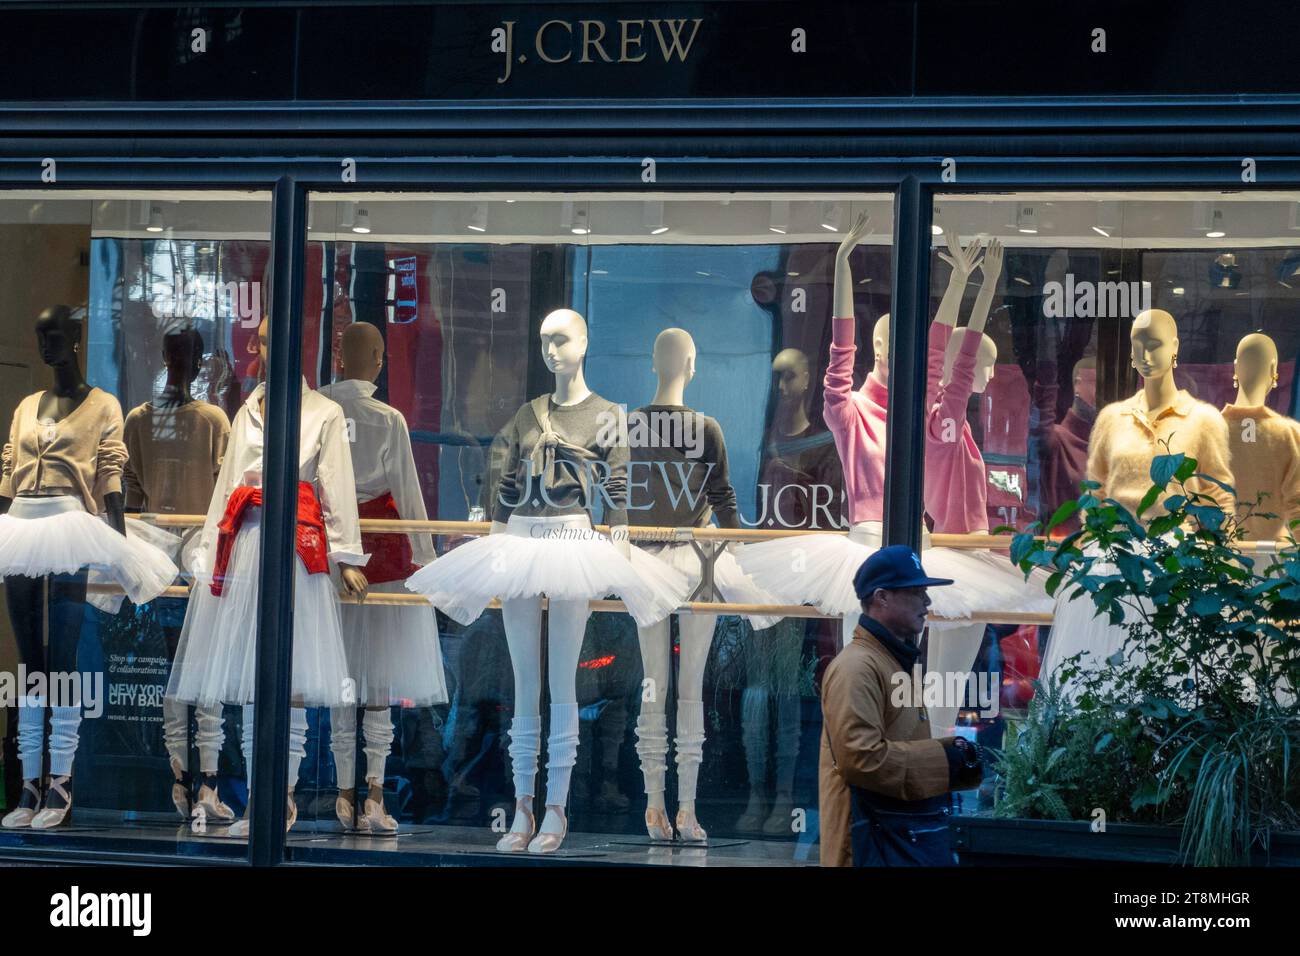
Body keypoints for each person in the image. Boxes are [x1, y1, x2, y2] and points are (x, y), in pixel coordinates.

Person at [818, 545, 984, 867]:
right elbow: (861, 759)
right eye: (917, 591)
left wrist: (950, 757)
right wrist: (947, 759)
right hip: (870, 848)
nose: (927, 602)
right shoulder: (857, 667)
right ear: (882, 597)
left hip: (893, 842)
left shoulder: (891, 661)